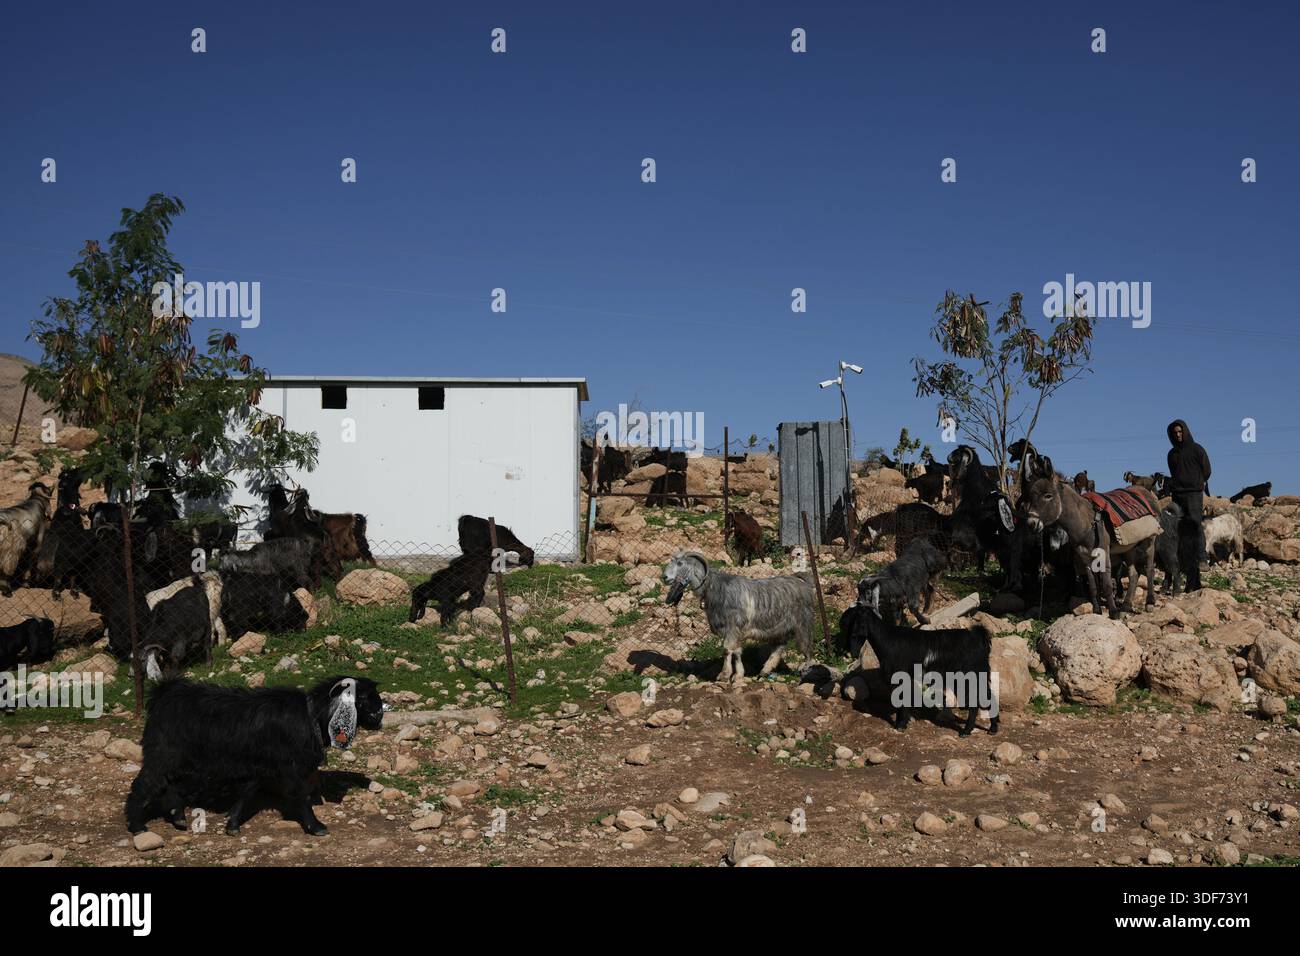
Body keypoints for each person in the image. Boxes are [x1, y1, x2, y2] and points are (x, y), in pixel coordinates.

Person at [1166, 419, 1212, 591]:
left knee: (1194, 523)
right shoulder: (1172, 454)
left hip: (1194, 493)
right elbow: (1173, 472)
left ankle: (1202, 558)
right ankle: (1183, 562)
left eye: (1180, 432)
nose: (1178, 435)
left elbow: (1207, 470)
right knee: (1179, 528)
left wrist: (1198, 483)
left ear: (1185, 431)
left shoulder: (1197, 449)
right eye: (1174, 433)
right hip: (1177, 494)